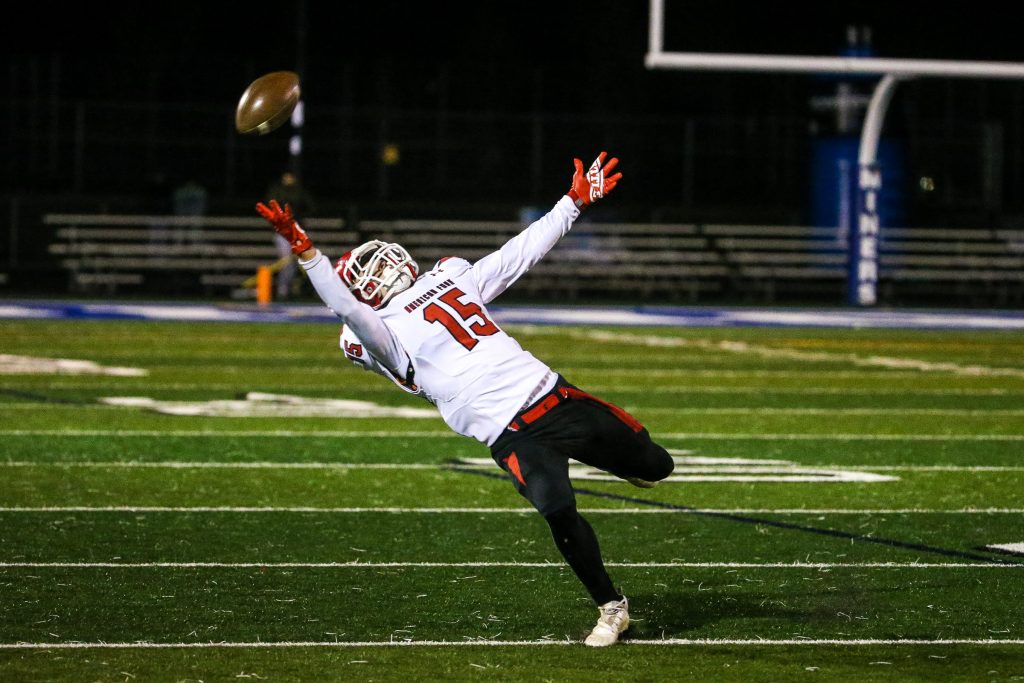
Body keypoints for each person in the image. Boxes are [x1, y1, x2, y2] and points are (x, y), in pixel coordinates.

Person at [256, 152, 674, 647]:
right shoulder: (379, 334)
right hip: (512, 433)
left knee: (657, 466)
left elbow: (518, 254)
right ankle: (611, 606)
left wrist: (573, 202)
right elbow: (344, 306)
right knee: (558, 510)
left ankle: (621, 464)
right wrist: (307, 252)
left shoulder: (448, 279)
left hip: (553, 395)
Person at [265, 171, 316, 299]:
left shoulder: (299, 191)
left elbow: (310, 206)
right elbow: (270, 205)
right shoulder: (277, 191)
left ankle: (296, 289)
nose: (288, 179)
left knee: (301, 263)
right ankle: (283, 290)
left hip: (297, 230)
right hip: (282, 232)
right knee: (286, 262)